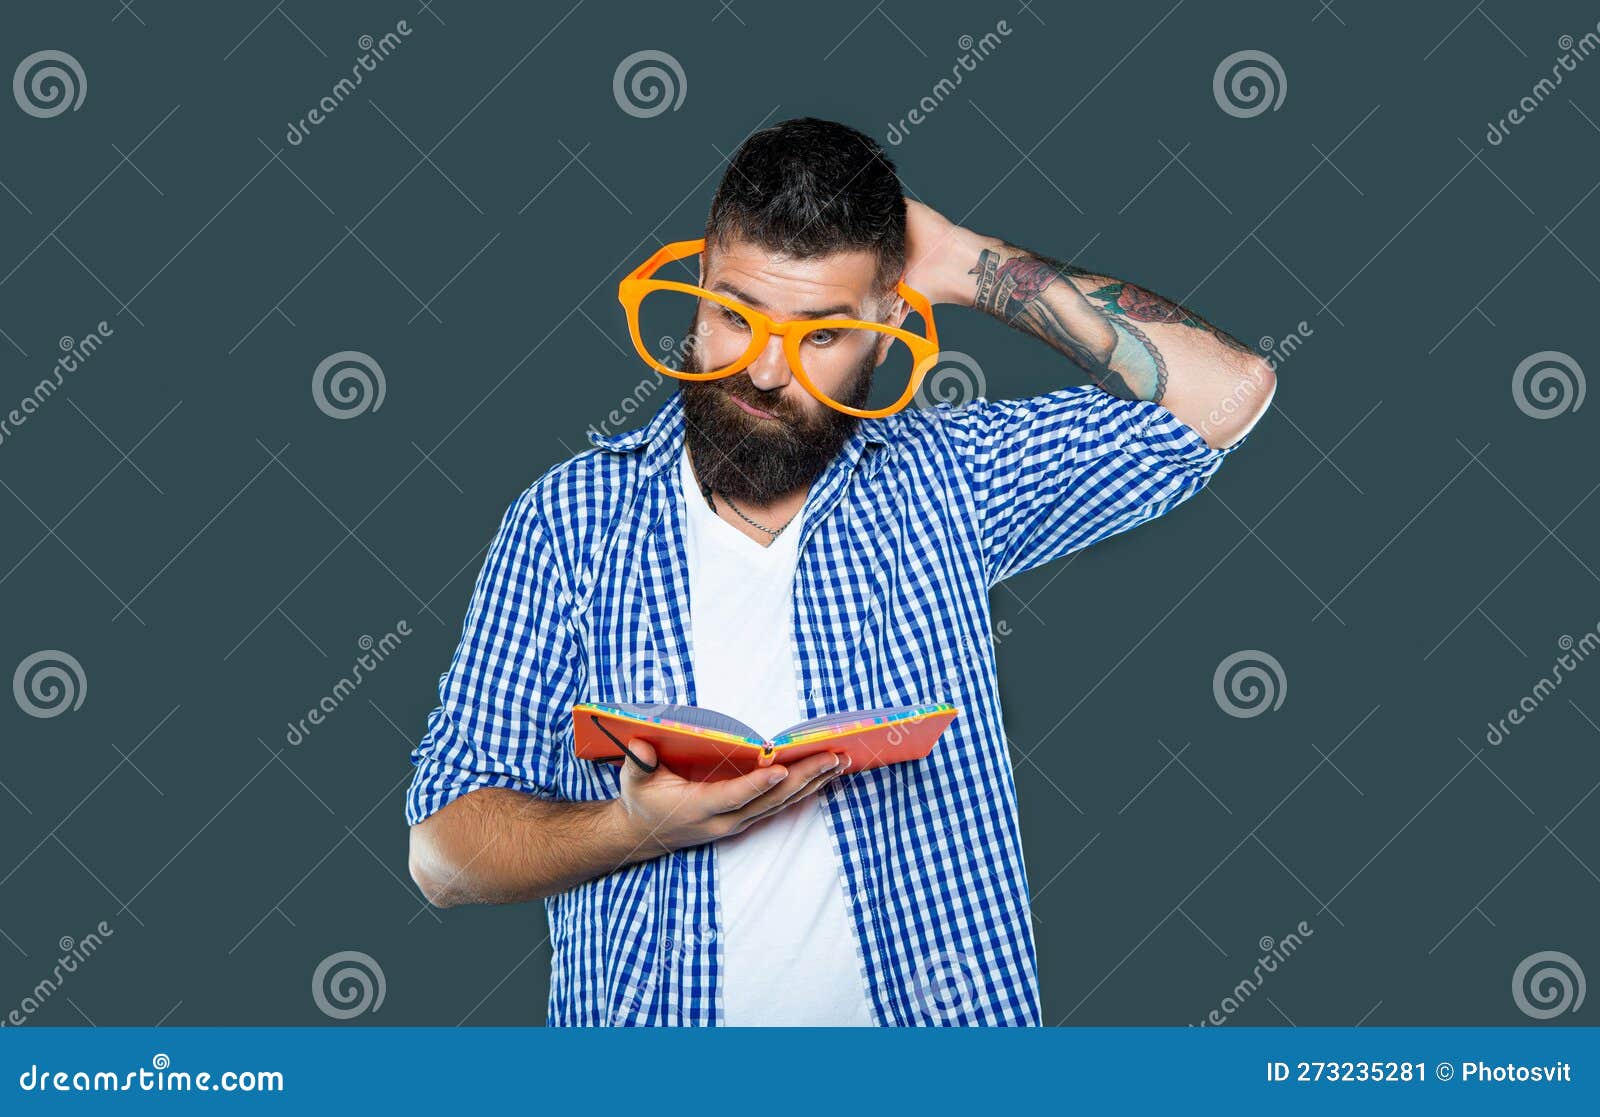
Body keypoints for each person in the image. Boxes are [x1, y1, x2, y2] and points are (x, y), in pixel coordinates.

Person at [405, 116, 1274, 1026]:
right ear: (697, 290)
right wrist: (633, 829)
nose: (765, 370)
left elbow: (1226, 391)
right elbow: (441, 856)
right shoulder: (569, 522)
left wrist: (966, 261)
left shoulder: (951, 479)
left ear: (888, 327)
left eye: (821, 336)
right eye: (734, 315)